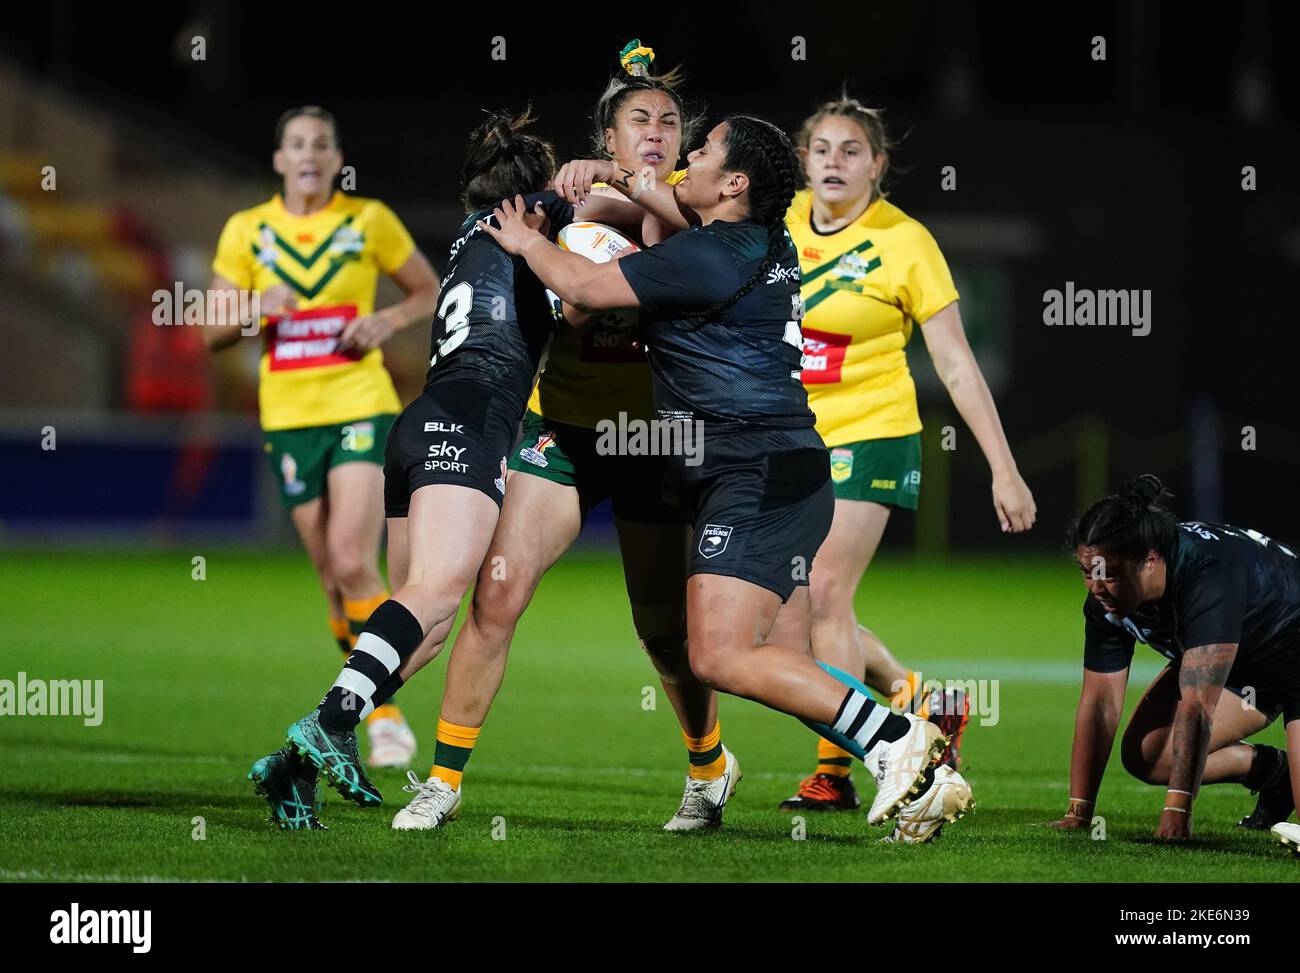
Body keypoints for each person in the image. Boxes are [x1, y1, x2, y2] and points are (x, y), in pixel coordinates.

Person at [481, 114, 974, 835]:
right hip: (778, 468)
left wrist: (526, 238)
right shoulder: (764, 237)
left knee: (717, 651)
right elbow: (669, 197)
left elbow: (583, 286)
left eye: (703, 150)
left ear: (735, 183)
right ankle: (923, 774)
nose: (686, 156)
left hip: (755, 473)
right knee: (780, 654)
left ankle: (902, 737)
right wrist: (609, 170)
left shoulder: (707, 257)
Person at [391, 41, 743, 834]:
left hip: (653, 436)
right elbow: (547, 249)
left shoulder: (709, 204)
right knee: (497, 594)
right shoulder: (567, 203)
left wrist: (626, 188)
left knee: (663, 631)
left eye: (668, 120)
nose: (654, 130)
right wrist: (579, 192)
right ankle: (442, 780)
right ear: (606, 135)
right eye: (636, 121)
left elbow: (673, 233)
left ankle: (708, 763)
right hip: (567, 430)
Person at [246, 108, 569, 829]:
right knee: (435, 590)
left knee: (417, 622)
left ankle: (294, 761)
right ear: (532, 192)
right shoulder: (539, 219)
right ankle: (331, 724)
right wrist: (612, 175)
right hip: (473, 420)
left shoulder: (465, 235)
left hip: (415, 425)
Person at [777, 95, 1037, 812]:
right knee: (785, 614)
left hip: (874, 432)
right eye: (822, 147)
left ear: (878, 165)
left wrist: (1004, 468)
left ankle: (835, 771)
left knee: (825, 591)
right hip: (793, 436)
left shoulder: (906, 241)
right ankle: (915, 695)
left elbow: (955, 362)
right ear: (803, 159)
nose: (835, 160)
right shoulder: (780, 216)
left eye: (851, 149)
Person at [207, 106, 439, 771]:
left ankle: (383, 718)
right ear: (279, 159)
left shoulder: (367, 219)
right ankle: (364, 707)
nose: (309, 154)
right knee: (332, 581)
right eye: (296, 144)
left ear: (337, 159)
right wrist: (255, 308)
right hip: (287, 415)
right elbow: (208, 331)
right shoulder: (247, 230)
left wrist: (385, 319)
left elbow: (426, 288)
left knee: (350, 556)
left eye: (321, 144)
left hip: (360, 402)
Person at [1049, 474, 1300, 853]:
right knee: (1148, 757)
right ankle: (1272, 773)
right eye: (1088, 573)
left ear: (1151, 561)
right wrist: (1079, 810)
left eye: (1110, 575)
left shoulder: (1206, 575)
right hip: (1247, 659)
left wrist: (1177, 807)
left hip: (1294, 644)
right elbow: (1101, 702)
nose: (1097, 588)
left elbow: (1197, 703)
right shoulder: (1106, 600)